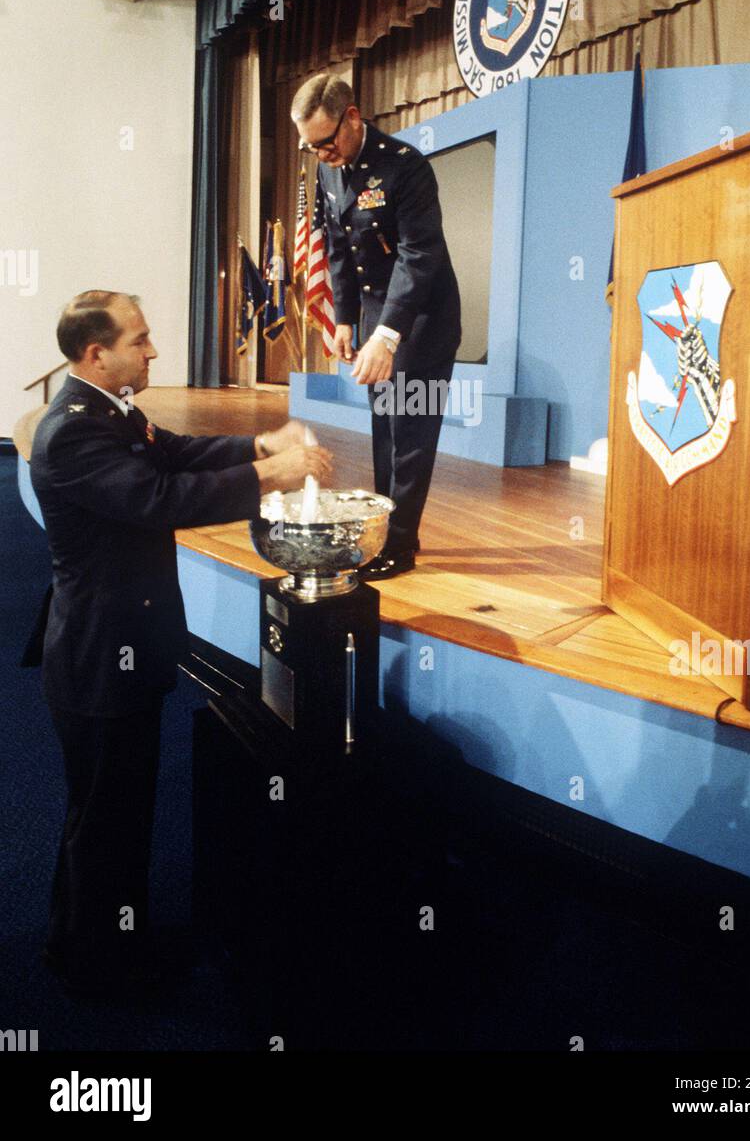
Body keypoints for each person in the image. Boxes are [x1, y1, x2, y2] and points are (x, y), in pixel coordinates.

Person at [29, 289, 332, 999]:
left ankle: (84, 943)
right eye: (139, 340)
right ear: (95, 354)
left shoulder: (108, 410)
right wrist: (268, 477)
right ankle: (100, 970)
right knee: (108, 818)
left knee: (110, 812)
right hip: (100, 659)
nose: (154, 350)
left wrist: (259, 443)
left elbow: (178, 453)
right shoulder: (74, 429)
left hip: (116, 648)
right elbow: (157, 498)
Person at [291, 75, 461, 578]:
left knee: (410, 430)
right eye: (310, 147)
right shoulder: (330, 171)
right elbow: (339, 247)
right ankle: (388, 528)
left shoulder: (405, 167)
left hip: (421, 317)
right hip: (372, 315)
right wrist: (345, 319)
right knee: (385, 427)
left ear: (352, 117)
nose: (321, 154)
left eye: (326, 142)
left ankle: (400, 546)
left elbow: (419, 254)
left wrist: (387, 335)